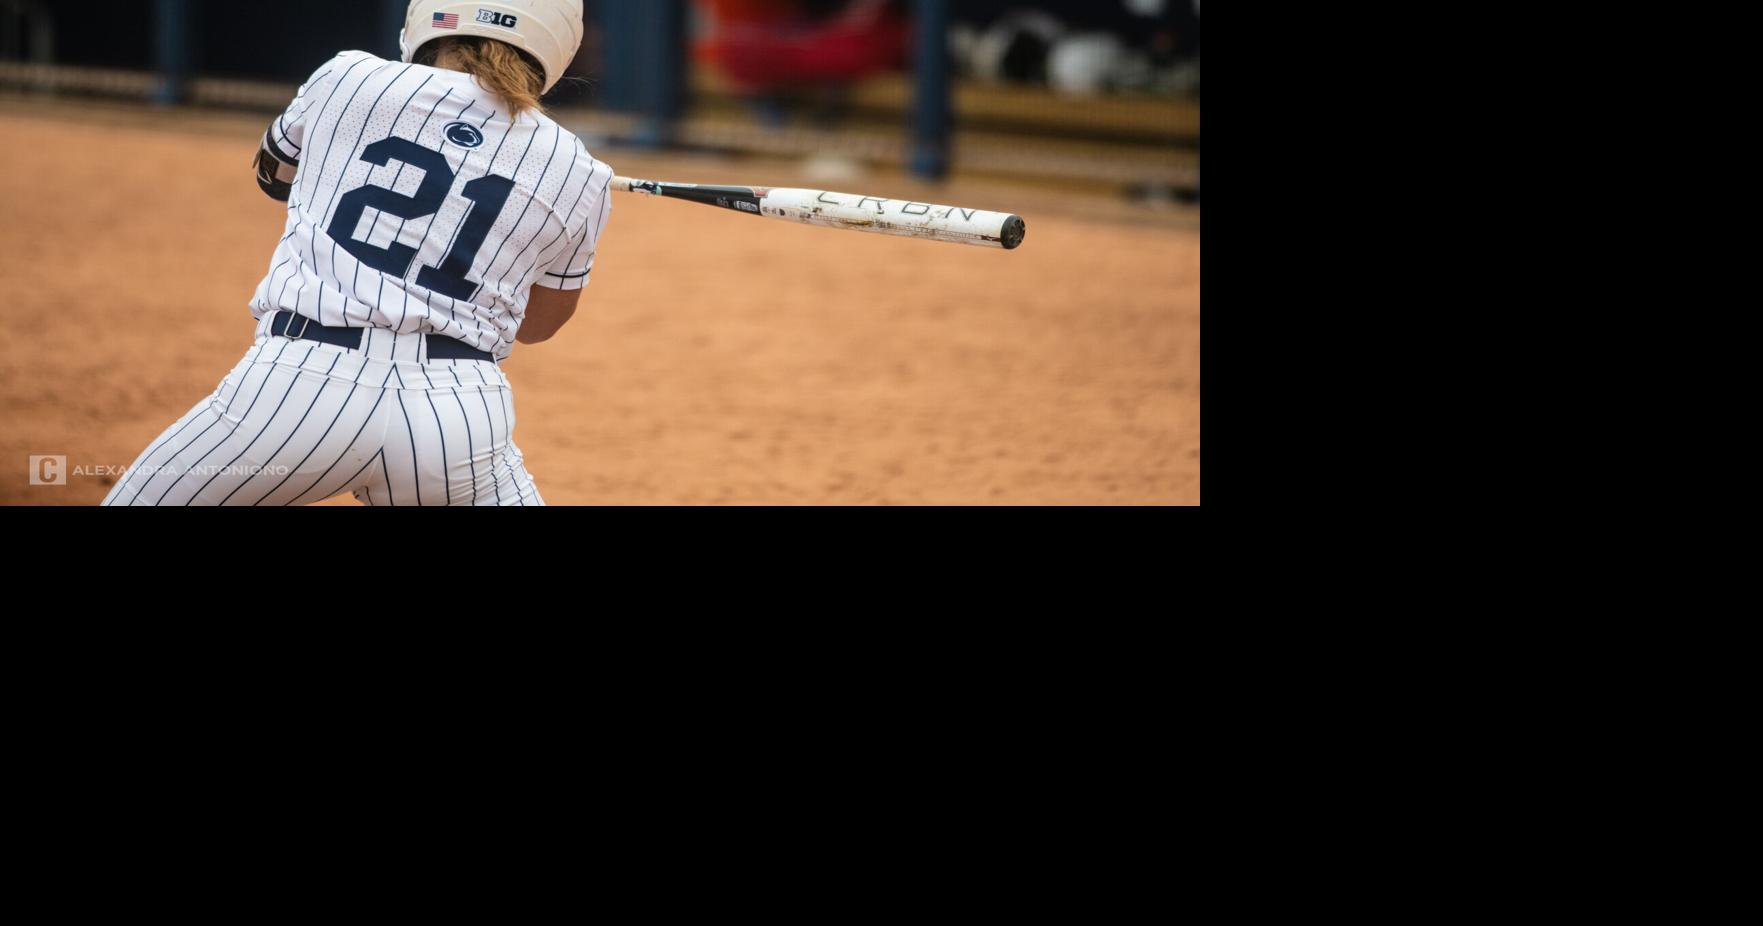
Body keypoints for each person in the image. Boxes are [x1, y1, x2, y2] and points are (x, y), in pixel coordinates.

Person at [103, 0, 609, 506]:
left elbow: (274, 176)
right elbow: (540, 325)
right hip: (459, 421)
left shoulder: (349, 78)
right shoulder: (582, 171)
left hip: (297, 392)